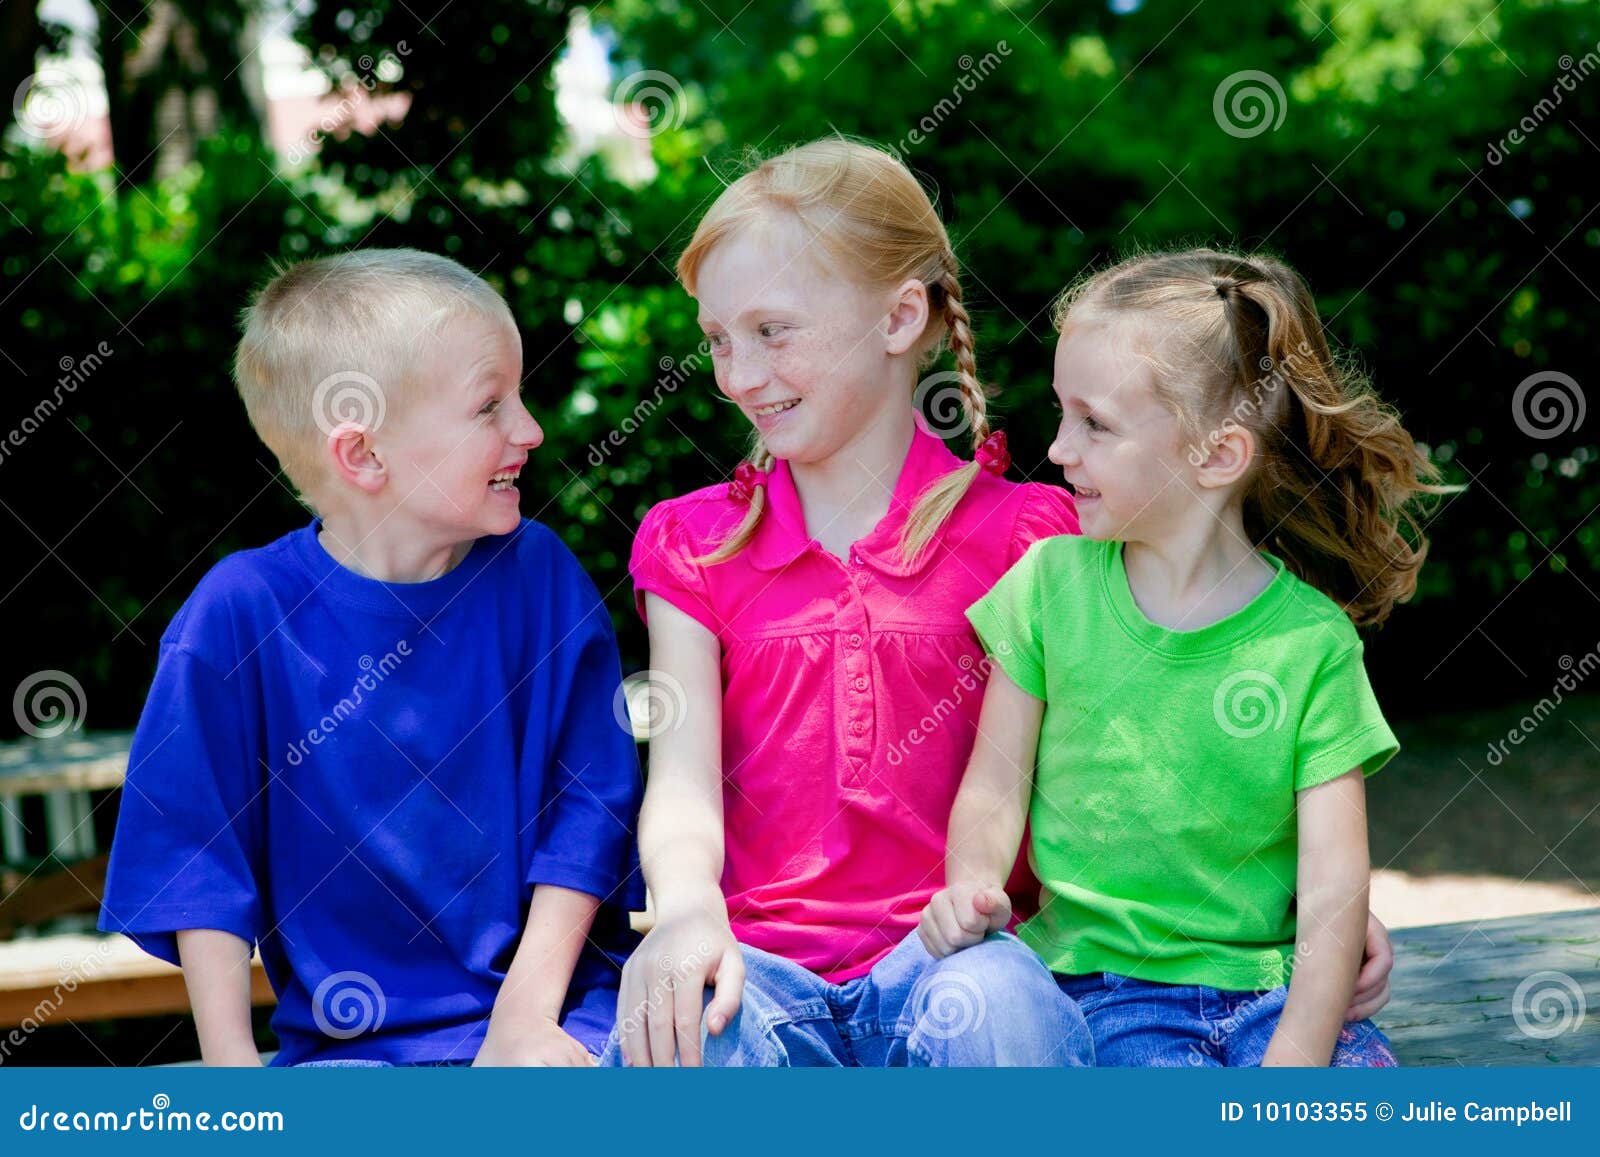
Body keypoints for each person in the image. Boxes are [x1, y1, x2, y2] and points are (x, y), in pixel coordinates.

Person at [609, 146, 1392, 1067]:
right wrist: (687, 913)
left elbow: (1158, 732)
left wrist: (1317, 899)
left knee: (998, 1011)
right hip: (764, 966)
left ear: (902, 316)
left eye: (772, 331)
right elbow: (685, 785)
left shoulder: (1038, 537)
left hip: (965, 959)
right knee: (684, 1045)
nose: (737, 374)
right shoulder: (695, 542)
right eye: (717, 339)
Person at [99, 249, 643, 1066]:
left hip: (566, 1019)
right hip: (347, 1059)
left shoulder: (541, 578)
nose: (529, 430)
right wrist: (232, 1069)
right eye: (490, 405)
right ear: (363, 455)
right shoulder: (239, 612)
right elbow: (195, 851)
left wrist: (524, 1020)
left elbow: (590, 811)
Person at [920, 248, 1443, 1066]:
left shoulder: (1311, 644)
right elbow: (994, 783)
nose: (1059, 448)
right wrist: (970, 882)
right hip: (1106, 995)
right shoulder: (1047, 589)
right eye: (1063, 413)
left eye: (1095, 423)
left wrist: (1296, 1064)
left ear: (1218, 455)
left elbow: (1336, 890)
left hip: (1280, 996)